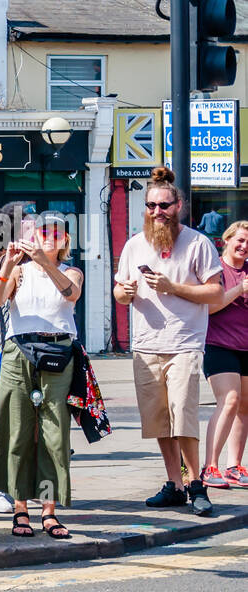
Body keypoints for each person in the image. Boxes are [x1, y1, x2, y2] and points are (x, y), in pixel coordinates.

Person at [114, 166, 224, 516]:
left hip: (185, 342)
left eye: (164, 205)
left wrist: (173, 287)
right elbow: (118, 289)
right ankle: (173, 485)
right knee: (160, 419)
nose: (157, 212)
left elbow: (215, 292)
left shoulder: (198, 243)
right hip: (146, 345)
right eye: (151, 206)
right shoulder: (134, 245)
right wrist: (125, 292)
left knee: (183, 414)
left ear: (179, 206)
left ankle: (196, 483)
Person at [0, 215, 83, 539]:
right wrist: (7, 266)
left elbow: (71, 294)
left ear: (65, 241)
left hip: (58, 353)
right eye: (44, 231)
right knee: (17, 432)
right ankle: (20, 508)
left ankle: (49, 510)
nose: (50, 236)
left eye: (57, 232)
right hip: (19, 351)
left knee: (54, 434)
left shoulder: (71, 272)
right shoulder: (18, 271)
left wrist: (45, 263)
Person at [199, 220, 248, 489]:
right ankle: (210, 466)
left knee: (245, 407)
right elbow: (210, 307)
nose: (244, 246)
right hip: (218, 345)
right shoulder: (216, 271)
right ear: (226, 240)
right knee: (229, 400)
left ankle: (235, 467)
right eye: (239, 240)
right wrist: (240, 289)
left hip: (246, 346)